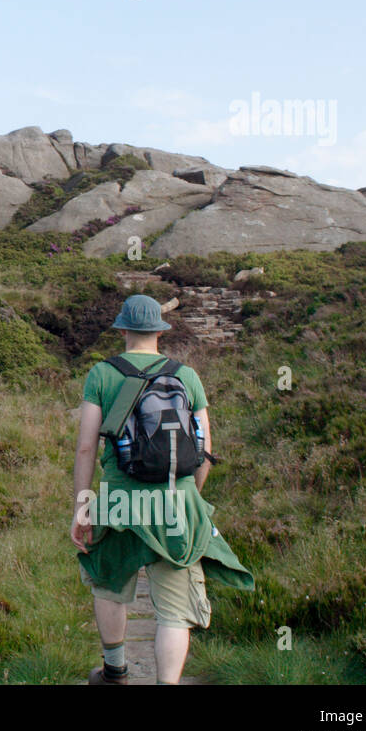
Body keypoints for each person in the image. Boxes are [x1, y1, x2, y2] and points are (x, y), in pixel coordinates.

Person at [71, 293, 254, 685]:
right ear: (159, 330)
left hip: (120, 500)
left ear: (122, 329)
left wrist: (82, 504)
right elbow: (204, 451)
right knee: (173, 610)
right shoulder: (186, 376)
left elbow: (87, 446)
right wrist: (194, 498)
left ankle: (115, 671)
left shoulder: (101, 374)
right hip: (177, 502)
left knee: (108, 583)